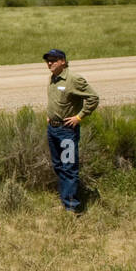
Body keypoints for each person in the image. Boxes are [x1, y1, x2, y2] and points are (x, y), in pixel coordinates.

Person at [43, 48, 99, 214]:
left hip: (67, 132)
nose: (49, 63)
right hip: (52, 130)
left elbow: (93, 98)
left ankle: (72, 208)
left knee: (69, 168)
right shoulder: (52, 78)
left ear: (63, 61)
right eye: (48, 60)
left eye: (53, 60)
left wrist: (79, 117)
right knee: (58, 166)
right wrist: (50, 117)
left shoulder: (74, 79)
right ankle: (65, 199)